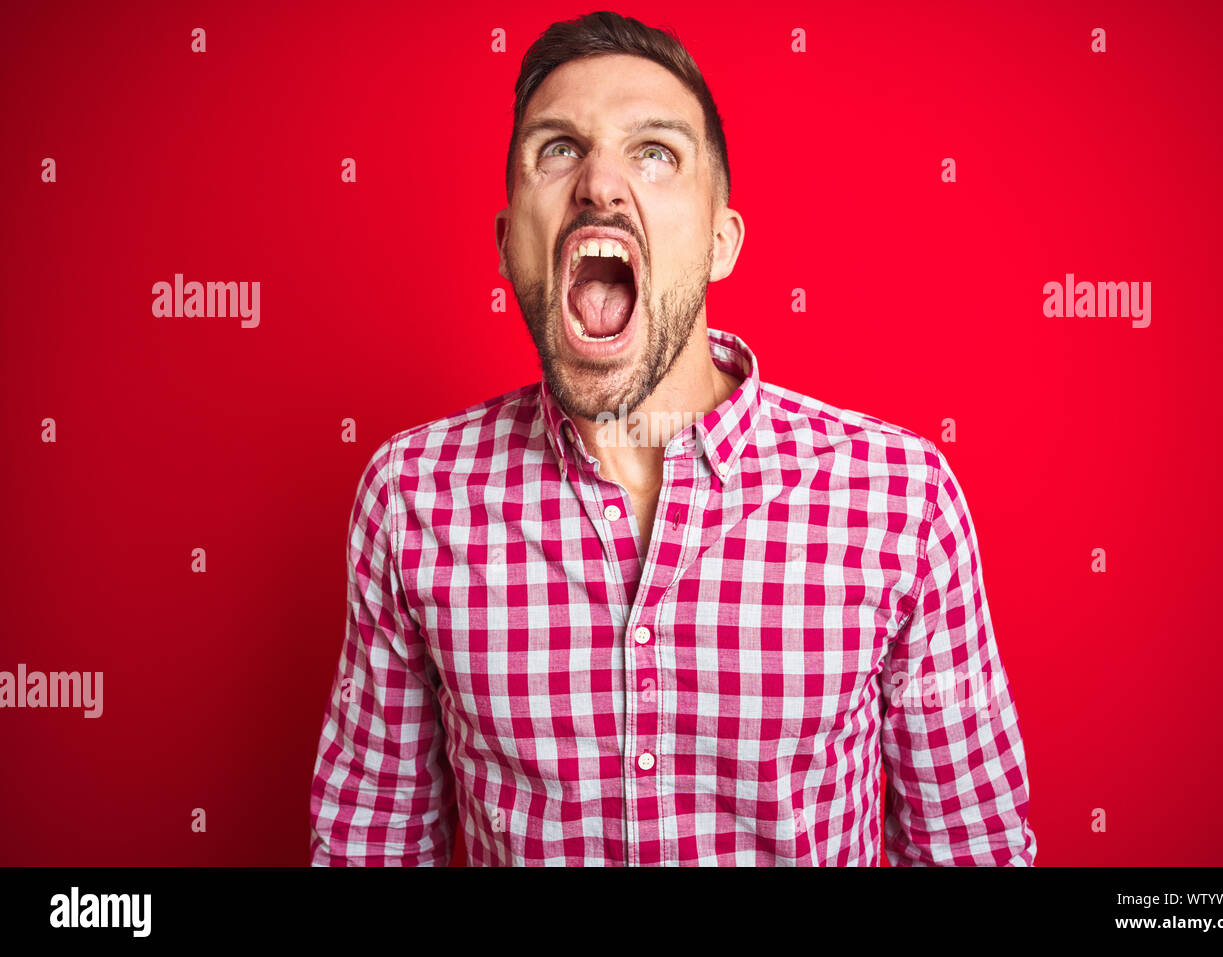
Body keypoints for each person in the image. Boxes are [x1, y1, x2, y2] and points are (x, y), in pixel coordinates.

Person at [309, 10, 1036, 866]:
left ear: (720, 240)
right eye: (558, 149)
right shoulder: (411, 498)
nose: (601, 186)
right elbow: (371, 847)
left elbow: (970, 849)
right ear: (511, 247)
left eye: (654, 152)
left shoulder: (900, 499)